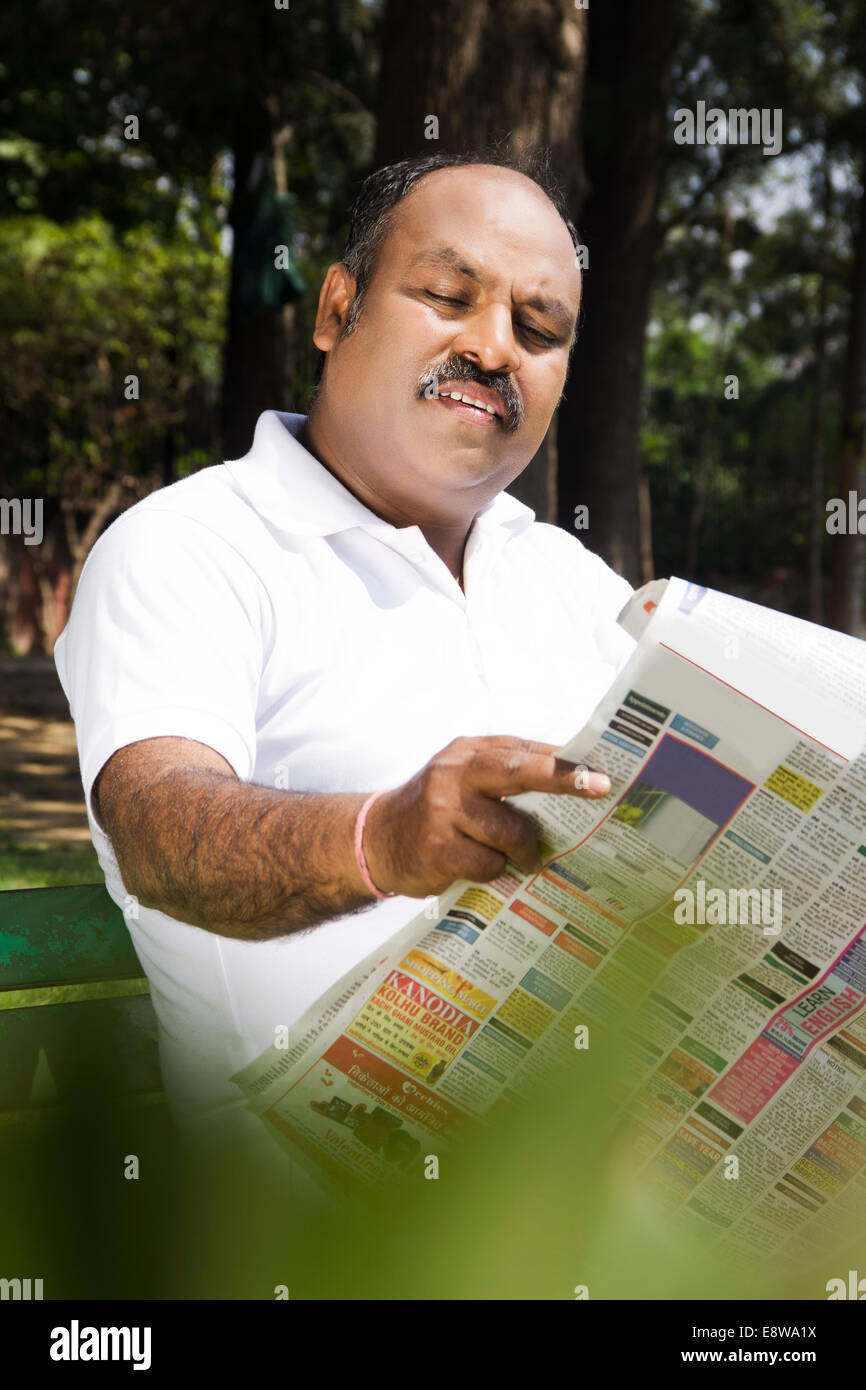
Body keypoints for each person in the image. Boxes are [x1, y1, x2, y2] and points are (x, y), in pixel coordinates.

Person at [54, 150, 636, 1181]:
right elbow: (157, 826)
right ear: (336, 308)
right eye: (448, 295)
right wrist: (386, 837)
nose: (492, 347)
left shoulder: (568, 579)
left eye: (538, 330)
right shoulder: (189, 547)